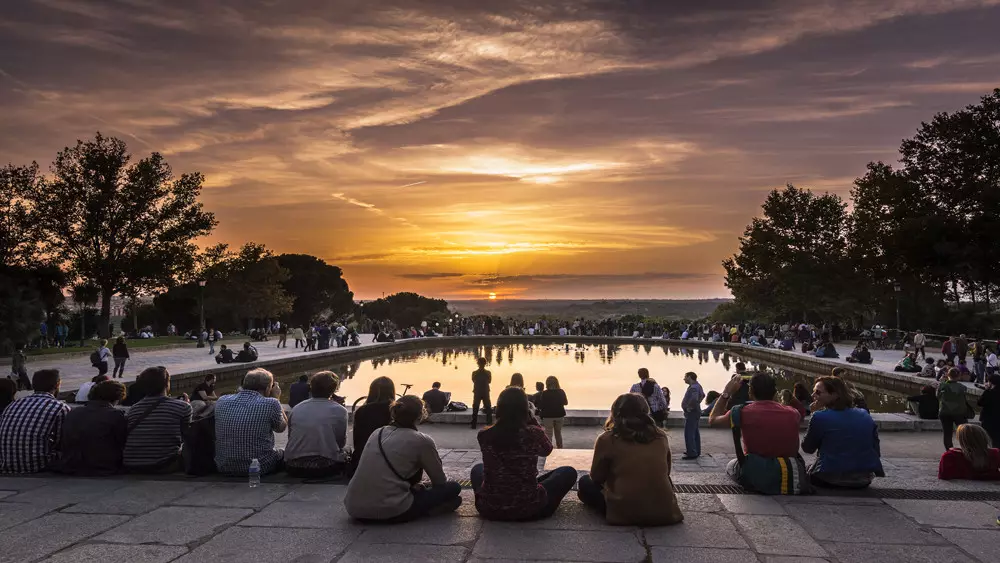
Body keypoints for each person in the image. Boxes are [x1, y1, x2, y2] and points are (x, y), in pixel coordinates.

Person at [345, 395, 461, 522]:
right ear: (420, 416)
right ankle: (425, 511)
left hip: (354, 507)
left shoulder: (377, 432)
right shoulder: (422, 440)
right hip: (391, 509)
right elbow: (439, 481)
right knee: (454, 488)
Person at [471, 386, 576, 521]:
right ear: (524, 411)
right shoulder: (533, 433)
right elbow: (547, 449)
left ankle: (500, 494)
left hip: (489, 507)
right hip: (528, 508)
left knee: (477, 469)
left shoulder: (485, 435)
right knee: (568, 472)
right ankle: (525, 487)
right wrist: (532, 420)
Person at [577, 393, 684, 526]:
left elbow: (596, 477)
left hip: (623, 510)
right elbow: (666, 472)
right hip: (665, 511)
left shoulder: (607, 439)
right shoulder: (660, 436)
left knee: (584, 483)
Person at [709, 372, 808, 494]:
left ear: (750, 392)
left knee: (731, 465)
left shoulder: (742, 412)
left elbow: (713, 420)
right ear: (775, 392)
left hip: (757, 467)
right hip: (788, 470)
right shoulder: (793, 413)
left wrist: (726, 393)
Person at [802, 376, 884, 488]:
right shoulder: (864, 414)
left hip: (828, 478)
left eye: (818, 393)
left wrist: (814, 416)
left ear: (835, 394)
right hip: (863, 479)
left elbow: (807, 448)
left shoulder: (819, 417)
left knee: (802, 469)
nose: (813, 396)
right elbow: (876, 449)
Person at [214, 368, 287, 476]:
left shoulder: (222, 400)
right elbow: (281, 428)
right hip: (260, 466)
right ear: (268, 388)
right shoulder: (271, 403)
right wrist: (277, 398)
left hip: (224, 465)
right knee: (283, 453)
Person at [123, 366, 192, 473]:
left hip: (132, 464)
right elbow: (185, 436)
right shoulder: (182, 407)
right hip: (163, 464)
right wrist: (187, 405)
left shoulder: (133, 409)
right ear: (166, 384)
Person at [0, 369, 70, 473]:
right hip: (36, 465)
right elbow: (63, 441)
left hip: (6, 464)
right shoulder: (60, 407)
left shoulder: (15, 404)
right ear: (57, 384)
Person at [53, 380, 127, 476]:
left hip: (71, 464)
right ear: (118, 398)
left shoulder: (74, 412)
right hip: (102, 466)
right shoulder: (116, 415)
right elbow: (122, 441)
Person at [285, 371, 348, 478]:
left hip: (292, 466)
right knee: (347, 451)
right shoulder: (340, 410)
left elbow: (290, 436)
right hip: (324, 467)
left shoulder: (297, 408)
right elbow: (340, 442)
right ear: (333, 389)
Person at [352, 377, 395, 474]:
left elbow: (357, 441)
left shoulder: (362, 411)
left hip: (362, 463)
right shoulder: (396, 411)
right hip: (389, 464)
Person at [938, 368, 969, 450]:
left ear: (948, 375)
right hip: (959, 412)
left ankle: (949, 451)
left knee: (947, 433)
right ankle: (966, 449)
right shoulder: (962, 387)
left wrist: (942, 381)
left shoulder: (943, 385)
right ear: (959, 376)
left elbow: (937, 396)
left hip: (945, 412)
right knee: (964, 432)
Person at [680, 372, 705, 460]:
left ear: (690, 377)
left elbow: (694, 398)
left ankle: (692, 453)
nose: (684, 379)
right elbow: (703, 395)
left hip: (692, 412)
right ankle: (695, 450)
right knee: (694, 432)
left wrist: (689, 407)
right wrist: (698, 403)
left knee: (689, 432)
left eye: (685, 377)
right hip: (696, 411)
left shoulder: (694, 387)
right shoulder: (698, 385)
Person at [539, 376, 568, 449]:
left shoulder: (545, 393)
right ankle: (560, 448)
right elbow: (565, 403)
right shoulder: (561, 392)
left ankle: (549, 449)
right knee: (558, 433)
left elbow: (541, 405)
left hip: (548, 416)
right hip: (559, 415)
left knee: (548, 433)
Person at [978, 374, 1000, 448]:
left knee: (985, 439)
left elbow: (980, 403)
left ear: (991, 383)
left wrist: (986, 390)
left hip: (988, 420)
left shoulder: (989, 393)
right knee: (997, 441)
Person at [471, 357, 492, 428]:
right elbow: (489, 381)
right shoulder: (488, 373)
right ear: (485, 363)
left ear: (478, 363)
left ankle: (473, 424)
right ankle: (489, 423)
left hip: (477, 391)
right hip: (485, 391)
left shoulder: (474, 373)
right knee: (488, 407)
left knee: (475, 407)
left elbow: (473, 380)